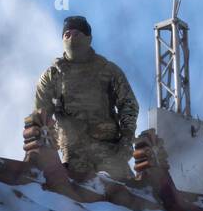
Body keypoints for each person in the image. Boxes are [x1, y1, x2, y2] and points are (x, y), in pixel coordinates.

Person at [33, 15, 138, 178]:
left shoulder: (108, 71)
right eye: (67, 35)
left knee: (130, 195)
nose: (71, 38)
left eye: (76, 34)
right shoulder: (53, 75)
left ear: (88, 38)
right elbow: (41, 116)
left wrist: (126, 140)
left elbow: (129, 105)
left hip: (109, 150)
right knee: (76, 197)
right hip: (74, 153)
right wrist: (47, 149)